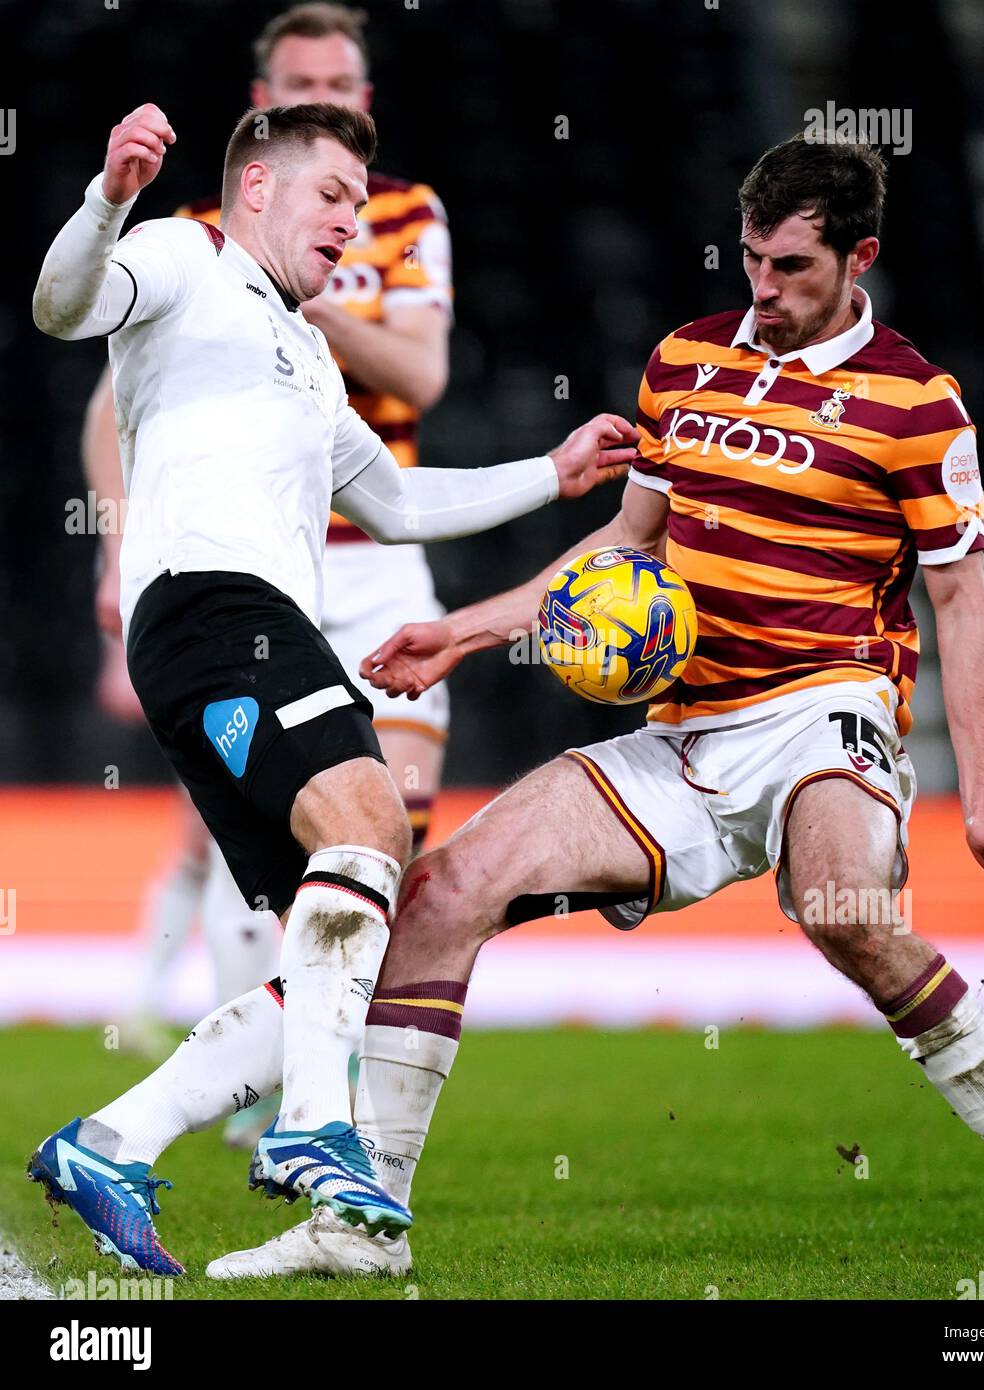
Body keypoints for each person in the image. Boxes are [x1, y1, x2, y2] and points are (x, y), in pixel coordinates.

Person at [209, 136, 984, 1295]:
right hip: (684, 730)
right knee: (439, 893)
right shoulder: (684, 359)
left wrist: (981, 803)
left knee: (842, 908)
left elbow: (960, 602)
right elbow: (624, 545)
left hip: (826, 712)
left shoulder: (915, 404)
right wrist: (467, 630)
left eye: (788, 267)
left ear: (857, 256)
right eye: (748, 259)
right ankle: (364, 1221)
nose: (761, 289)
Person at [27, 98, 637, 1275]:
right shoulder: (186, 253)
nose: (352, 226)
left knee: (360, 900)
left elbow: (399, 501)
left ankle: (115, 1137)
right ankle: (314, 1126)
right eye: (333, 198)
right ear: (256, 187)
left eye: (360, 205)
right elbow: (63, 307)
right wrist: (110, 195)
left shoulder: (307, 355)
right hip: (214, 609)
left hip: (250, 632)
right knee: (368, 820)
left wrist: (556, 476)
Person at [84, 5, 454, 1128]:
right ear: (263, 103)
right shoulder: (200, 237)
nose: (330, 96)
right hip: (240, 565)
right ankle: (281, 1108)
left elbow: (423, 378)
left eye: (344, 81)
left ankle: (303, 1094)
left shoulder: (400, 216)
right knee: (265, 847)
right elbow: (110, 413)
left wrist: (303, 288)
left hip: (376, 568)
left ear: (369, 97)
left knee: (393, 834)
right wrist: (121, 547)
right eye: (304, 82)